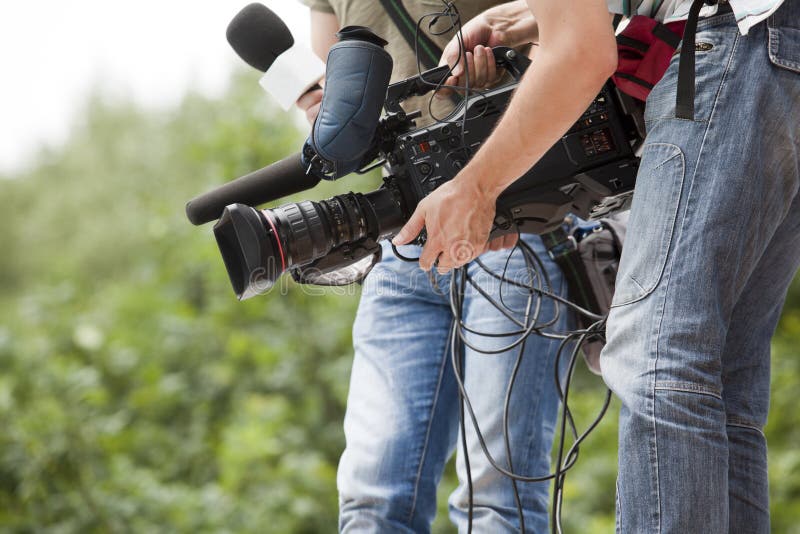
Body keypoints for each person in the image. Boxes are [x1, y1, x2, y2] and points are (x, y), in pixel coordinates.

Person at [393, 0, 800, 531]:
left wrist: (476, 189)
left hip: (736, 39)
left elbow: (581, 53)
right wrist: (527, 17)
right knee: (722, 386)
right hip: (777, 44)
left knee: (657, 360)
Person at [296, 1, 574, 532]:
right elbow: (337, 61)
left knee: (499, 495)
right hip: (408, 224)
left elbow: (572, 32)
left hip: (512, 207)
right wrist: (326, 110)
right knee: (372, 499)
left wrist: (512, 60)